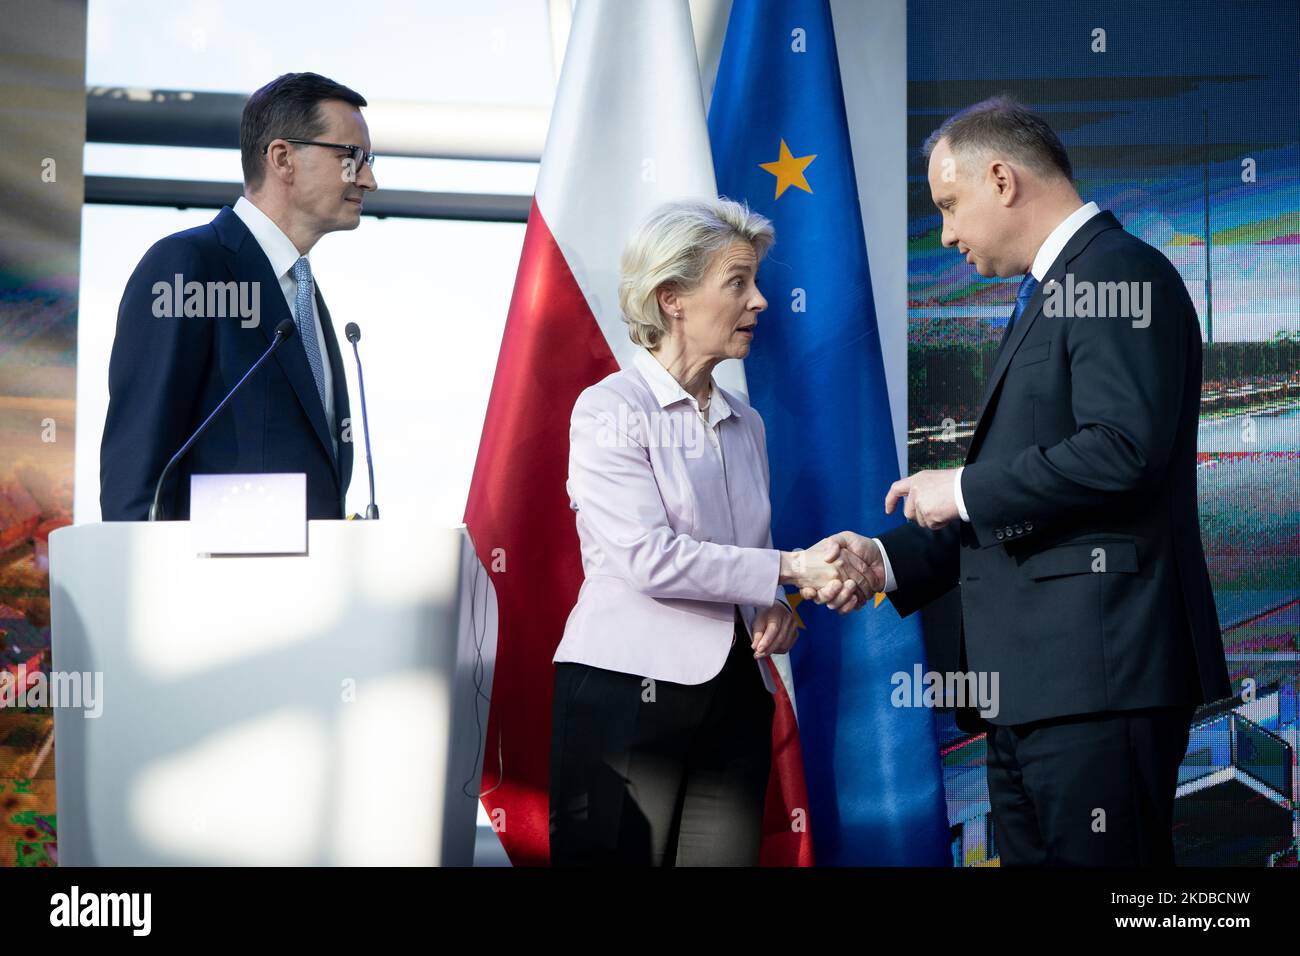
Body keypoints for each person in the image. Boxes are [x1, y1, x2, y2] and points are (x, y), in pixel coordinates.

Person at [813, 97, 1232, 866]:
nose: (945, 233)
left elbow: (1121, 451)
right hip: (1038, 694)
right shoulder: (1054, 289)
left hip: (1099, 686)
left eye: (948, 204)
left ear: (1001, 178)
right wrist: (882, 559)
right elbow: (1032, 498)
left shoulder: (1117, 274)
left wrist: (965, 488)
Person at [549, 197, 868, 866]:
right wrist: (790, 568)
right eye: (738, 282)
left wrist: (779, 606)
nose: (760, 301)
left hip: (735, 696)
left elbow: (744, 556)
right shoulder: (608, 408)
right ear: (672, 297)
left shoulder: (746, 421)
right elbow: (649, 559)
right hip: (623, 690)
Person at [100, 72, 378, 520]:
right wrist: (135, 584)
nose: (367, 179)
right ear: (282, 158)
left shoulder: (301, 290)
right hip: (204, 587)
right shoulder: (188, 266)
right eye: (352, 157)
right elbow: (136, 476)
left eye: (369, 160)